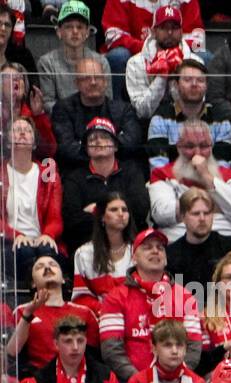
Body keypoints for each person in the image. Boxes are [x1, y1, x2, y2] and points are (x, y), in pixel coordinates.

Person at [99, 228, 203, 383]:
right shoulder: (116, 297)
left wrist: (175, 378)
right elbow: (112, 349)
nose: (155, 251)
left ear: (166, 258)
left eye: (160, 248)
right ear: (134, 257)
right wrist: (141, 382)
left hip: (177, 382)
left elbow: (193, 346)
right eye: (147, 247)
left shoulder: (185, 297)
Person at [59, 117, 150, 254]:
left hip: (131, 244)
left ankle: (180, 277)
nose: (98, 141)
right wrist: (118, 214)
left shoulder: (132, 171)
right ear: (86, 149)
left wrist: (98, 210)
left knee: (177, 272)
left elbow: (140, 211)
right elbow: (71, 220)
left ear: (115, 145)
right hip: (88, 246)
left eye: (104, 137)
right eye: (92, 139)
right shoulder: (74, 178)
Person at [149, 121, 231, 242]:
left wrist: (206, 176)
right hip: (180, 244)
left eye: (203, 146)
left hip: (226, 246)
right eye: (190, 146)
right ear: (179, 147)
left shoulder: (228, 175)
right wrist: (215, 205)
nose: (197, 153)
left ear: (211, 147)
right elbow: (161, 214)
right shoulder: (162, 173)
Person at [4, 256, 99, 377]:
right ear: (33, 283)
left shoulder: (85, 312)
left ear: (63, 279)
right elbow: (11, 352)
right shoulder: (22, 311)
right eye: (40, 267)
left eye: (52, 265)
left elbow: (95, 355)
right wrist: (28, 315)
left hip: (79, 378)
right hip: (39, 380)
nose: (47, 268)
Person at [50, 59, 145, 172]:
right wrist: (108, 148)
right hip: (79, 174)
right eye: (86, 78)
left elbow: (132, 142)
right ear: (77, 84)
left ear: (105, 81)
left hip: (118, 172)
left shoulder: (124, 109)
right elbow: (67, 149)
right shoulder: (63, 109)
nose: (93, 82)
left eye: (98, 77)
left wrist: (90, 148)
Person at [146, 59, 231, 170]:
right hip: (171, 184)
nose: (194, 84)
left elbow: (223, 167)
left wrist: (203, 182)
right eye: (187, 80)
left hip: (210, 183)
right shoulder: (160, 119)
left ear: (206, 86)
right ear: (176, 85)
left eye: (200, 80)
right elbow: (158, 167)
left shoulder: (220, 119)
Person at [124, 6, 200, 121]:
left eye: (174, 28)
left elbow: (195, 109)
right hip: (147, 124)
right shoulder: (135, 63)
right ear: (154, 31)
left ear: (181, 31)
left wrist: (176, 78)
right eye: (164, 28)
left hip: (187, 123)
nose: (169, 32)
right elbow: (142, 111)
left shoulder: (196, 63)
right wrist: (162, 76)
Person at [165, 187, 231, 290]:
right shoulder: (171, 255)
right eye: (196, 214)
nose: (202, 218)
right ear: (183, 217)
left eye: (207, 213)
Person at [36, 2, 110, 104]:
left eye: (80, 27)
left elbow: (107, 101)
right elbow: (48, 103)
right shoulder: (46, 63)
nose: (75, 31)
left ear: (87, 32)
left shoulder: (101, 62)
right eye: (69, 27)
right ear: (58, 32)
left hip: (94, 118)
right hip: (61, 119)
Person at [72, 193, 134, 311]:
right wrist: (107, 311)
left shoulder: (138, 250)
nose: (121, 214)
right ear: (102, 217)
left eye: (124, 210)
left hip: (135, 317)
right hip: (100, 317)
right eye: (114, 210)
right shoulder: (84, 253)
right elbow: (81, 297)